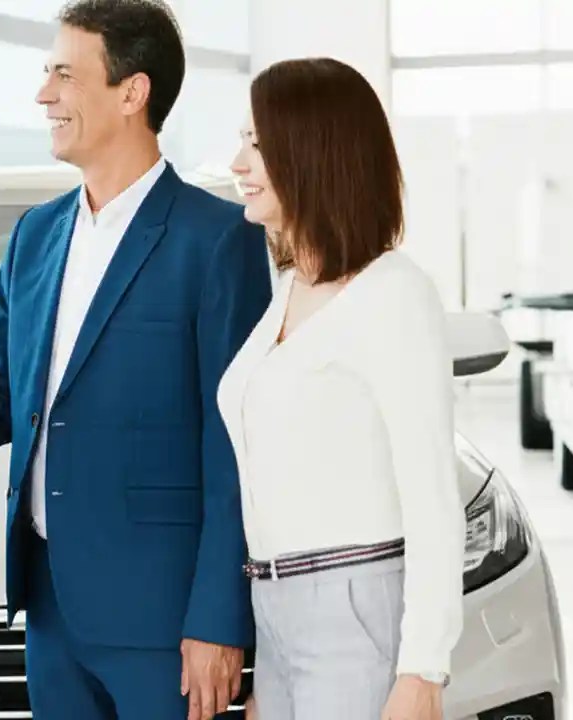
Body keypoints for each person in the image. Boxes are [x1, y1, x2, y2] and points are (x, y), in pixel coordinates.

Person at [0, 2, 272, 719]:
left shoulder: (217, 239)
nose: (44, 95)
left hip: (163, 620)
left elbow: (236, 447)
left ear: (132, 93)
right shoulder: (37, 236)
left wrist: (219, 620)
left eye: (65, 74)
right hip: (50, 610)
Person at [219, 58, 464, 720]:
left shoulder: (394, 293)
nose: (238, 164)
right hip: (275, 607)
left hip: (354, 607)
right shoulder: (288, 289)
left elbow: (432, 495)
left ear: (314, 153)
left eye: (257, 144)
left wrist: (423, 670)